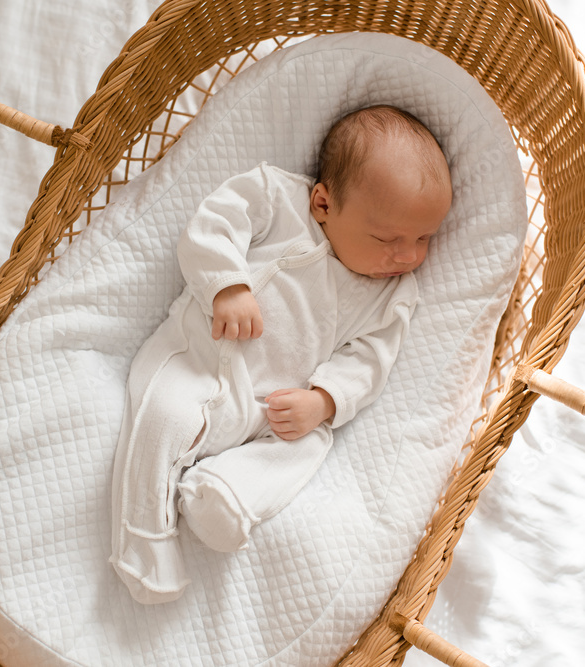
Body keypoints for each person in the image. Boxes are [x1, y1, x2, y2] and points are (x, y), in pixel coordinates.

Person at [109, 105, 453, 604]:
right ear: (323, 203)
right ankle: (144, 541)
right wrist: (227, 286)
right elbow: (215, 223)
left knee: (312, 445)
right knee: (161, 415)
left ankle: (227, 495)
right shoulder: (278, 200)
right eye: (388, 238)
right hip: (201, 364)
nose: (407, 256)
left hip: (275, 409)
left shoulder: (392, 295)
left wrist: (324, 401)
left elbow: (371, 360)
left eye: (424, 238)